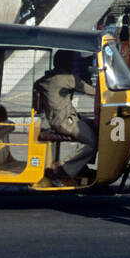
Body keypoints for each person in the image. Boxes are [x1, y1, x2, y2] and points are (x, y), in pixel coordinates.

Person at [35, 52, 98, 184]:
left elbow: (38, 83)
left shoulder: (49, 77)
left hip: (58, 119)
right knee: (92, 141)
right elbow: (91, 91)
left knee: (96, 127)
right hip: (64, 121)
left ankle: (80, 166)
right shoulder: (66, 78)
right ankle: (62, 168)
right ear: (67, 64)